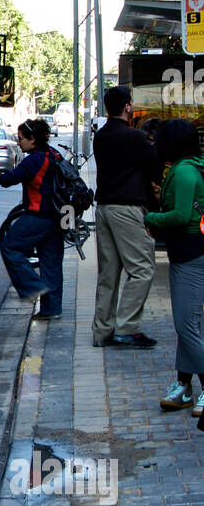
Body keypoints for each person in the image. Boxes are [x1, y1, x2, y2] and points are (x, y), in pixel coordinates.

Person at [144, 119, 204, 414]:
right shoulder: (194, 166)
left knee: (186, 325)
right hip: (192, 253)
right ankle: (183, 385)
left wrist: (151, 219)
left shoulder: (182, 172)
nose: (156, 143)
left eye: (160, 139)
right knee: (189, 325)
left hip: (189, 255)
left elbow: (180, 216)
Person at [91, 84, 157, 348]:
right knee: (142, 268)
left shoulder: (101, 136)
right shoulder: (135, 137)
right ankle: (127, 327)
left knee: (109, 274)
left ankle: (102, 331)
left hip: (104, 207)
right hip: (128, 207)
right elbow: (154, 167)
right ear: (128, 106)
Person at [0, 118, 64, 318]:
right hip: (57, 216)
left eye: (21, 139)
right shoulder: (54, 154)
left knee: (9, 245)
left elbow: (6, 180)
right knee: (51, 263)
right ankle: (51, 309)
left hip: (38, 215)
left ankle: (32, 287)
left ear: (32, 139)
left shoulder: (34, 160)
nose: (19, 142)